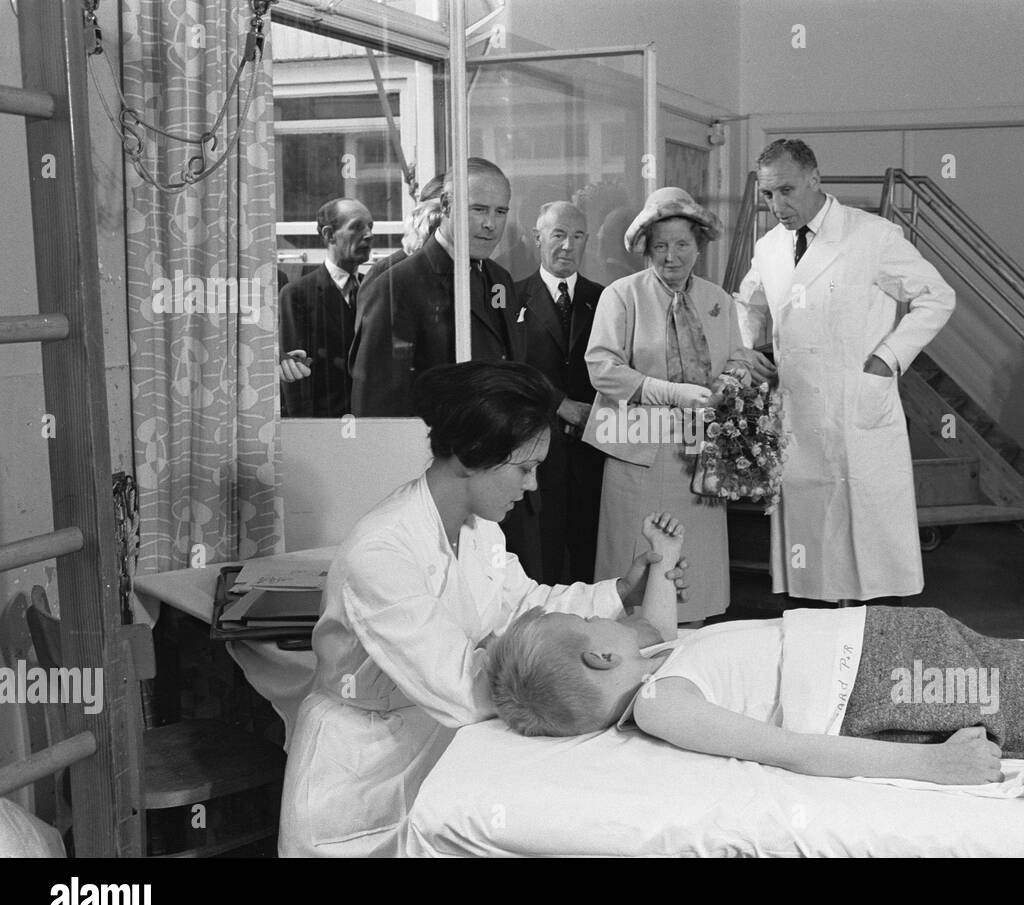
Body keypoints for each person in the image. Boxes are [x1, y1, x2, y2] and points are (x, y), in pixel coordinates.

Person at [486, 521, 1024, 809]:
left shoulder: (658, 663)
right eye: (581, 616)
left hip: (896, 647)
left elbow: (653, 624)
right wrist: (933, 768)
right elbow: (797, 751)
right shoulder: (662, 704)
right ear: (597, 651)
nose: (608, 615)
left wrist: (662, 562)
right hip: (888, 681)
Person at [278, 361, 689, 857]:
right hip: (360, 771)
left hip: (435, 749)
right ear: (473, 458)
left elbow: (526, 606)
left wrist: (623, 591)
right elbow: (461, 688)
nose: (533, 486)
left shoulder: (478, 528)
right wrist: (576, 677)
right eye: (525, 469)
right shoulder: (381, 552)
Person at [734, 139, 955, 605]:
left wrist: (888, 358)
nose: (778, 206)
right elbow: (746, 302)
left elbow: (937, 296)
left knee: (864, 537)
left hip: (855, 400)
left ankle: (862, 632)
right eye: (769, 195)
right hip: (797, 407)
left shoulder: (871, 236)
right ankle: (820, 628)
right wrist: (744, 349)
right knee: (811, 544)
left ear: (815, 179)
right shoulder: (770, 246)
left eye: (788, 191)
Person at [583, 187, 771, 623]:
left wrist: (730, 380)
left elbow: (738, 358)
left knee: (696, 570)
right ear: (646, 249)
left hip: (699, 457)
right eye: (661, 246)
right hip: (637, 452)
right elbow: (601, 368)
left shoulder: (717, 301)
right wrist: (669, 392)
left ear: (699, 247)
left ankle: (690, 653)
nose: (672, 256)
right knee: (636, 564)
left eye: (683, 244)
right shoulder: (622, 295)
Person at [349, 157, 526, 418]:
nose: (491, 224)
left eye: (500, 211)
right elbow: (376, 402)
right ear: (445, 205)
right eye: (478, 209)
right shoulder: (396, 285)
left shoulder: (499, 278)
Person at [516, 201, 606, 583]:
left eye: (577, 236)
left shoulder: (605, 298)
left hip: (594, 451)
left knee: (592, 551)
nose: (568, 245)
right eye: (558, 235)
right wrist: (560, 405)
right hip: (536, 451)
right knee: (541, 553)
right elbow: (511, 370)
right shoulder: (512, 297)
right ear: (538, 238)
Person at [279, 197, 373, 417]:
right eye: (357, 227)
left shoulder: (375, 288)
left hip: (372, 422)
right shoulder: (297, 295)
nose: (369, 235)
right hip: (325, 425)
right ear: (329, 235)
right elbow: (295, 376)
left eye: (371, 226)